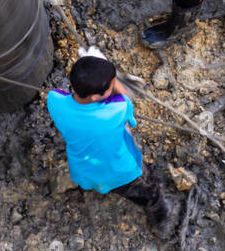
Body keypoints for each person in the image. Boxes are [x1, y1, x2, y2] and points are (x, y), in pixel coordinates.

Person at [46, 47, 179, 237]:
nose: (114, 83)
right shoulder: (115, 112)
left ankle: (103, 189)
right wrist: (110, 75)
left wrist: (94, 68)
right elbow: (125, 99)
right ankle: (162, 220)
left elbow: (62, 94)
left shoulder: (54, 101)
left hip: (83, 169)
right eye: (110, 84)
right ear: (94, 97)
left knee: (109, 183)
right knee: (150, 192)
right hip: (123, 172)